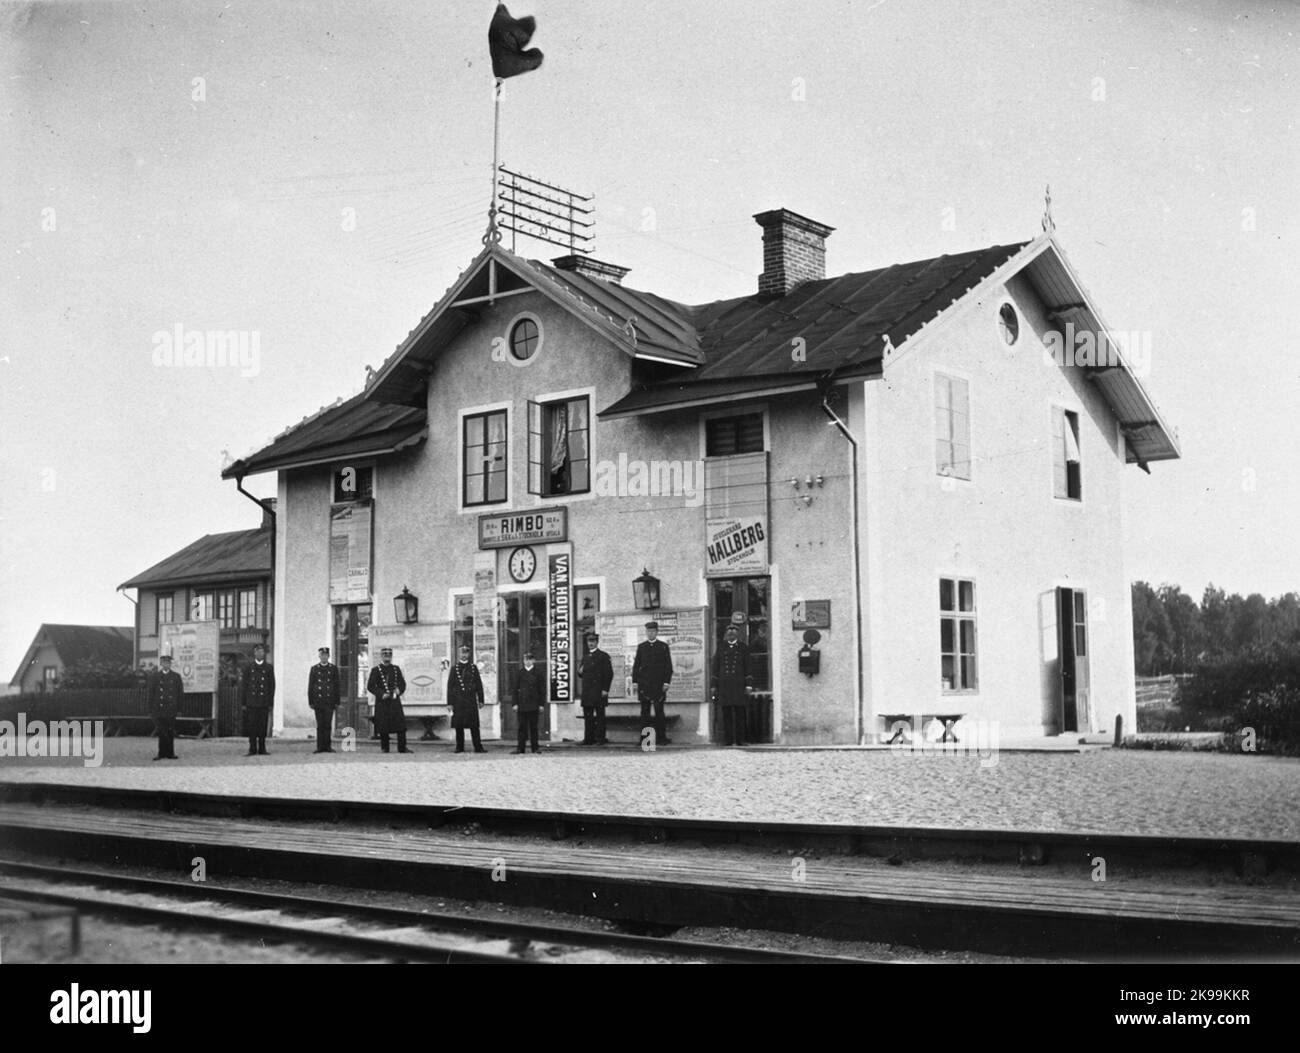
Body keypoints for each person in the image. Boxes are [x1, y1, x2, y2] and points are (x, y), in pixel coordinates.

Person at [632, 620, 674, 746]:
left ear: (657, 632)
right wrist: (635, 681)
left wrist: (666, 682)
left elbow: (668, 666)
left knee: (659, 712)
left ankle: (661, 738)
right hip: (644, 685)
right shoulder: (641, 647)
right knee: (645, 713)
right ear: (646, 632)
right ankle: (646, 739)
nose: (650, 634)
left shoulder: (663, 646)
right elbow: (636, 666)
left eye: (653, 631)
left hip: (659, 685)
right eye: (648, 631)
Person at [712, 624, 752, 746]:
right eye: (729, 632)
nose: (731, 634)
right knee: (726, 713)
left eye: (733, 632)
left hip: (739, 684)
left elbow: (748, 666)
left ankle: (741, 740)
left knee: (740, 713)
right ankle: (728, 740)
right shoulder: (721, 647)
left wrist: (748, 685)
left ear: (737, 634)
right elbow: (715, 667)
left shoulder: (743, 648)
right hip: (724, 685)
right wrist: (714, 685)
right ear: (726, 634)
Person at [367, 647, 410, 753]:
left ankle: (402, 747)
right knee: (383, 726)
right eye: (385, 654)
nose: (387, 656)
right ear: (381, 656)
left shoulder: (396, 669)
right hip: (382, 702)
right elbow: (371, 686)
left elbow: (402, 683)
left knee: (400, 725)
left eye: (389, 654)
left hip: (394, 701)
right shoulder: (376, 670)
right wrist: (381, 694)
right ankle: (385, 748)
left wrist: (399, 690)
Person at [446, 644, 486, 753]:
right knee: (459, 725)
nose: (464, 655)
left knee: (474, 725)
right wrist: (449, 703)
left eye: (466, 653)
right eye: (462, 653)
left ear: (469, 654)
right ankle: (459, 746)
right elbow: (450, 686)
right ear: (459, 654)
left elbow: (479, 684)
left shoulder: (473, 668)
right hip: (458, 700)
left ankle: (478, 746)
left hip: (471, 700)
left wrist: (481, 700)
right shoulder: (455, 668)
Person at [577, 632, 613, 745]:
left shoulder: (603, 656)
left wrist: (605, 689)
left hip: (599, 691)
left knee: (600, 716)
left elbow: (609, 674)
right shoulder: (585, 657)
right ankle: (588, 738)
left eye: (593, 641)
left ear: (597, 642)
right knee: (588, 716)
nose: (590, 644)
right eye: (589, 641)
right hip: (587, 692)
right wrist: (579, 672)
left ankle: (600, 739)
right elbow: (581, 673)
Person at [240, 643, 275, 756]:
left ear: (264, 654)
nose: (260, 653)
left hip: (263, 702)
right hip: (252, 702)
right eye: (257, 651)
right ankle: (252, 748)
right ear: (254, 653)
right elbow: (244, 686)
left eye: (261, 651)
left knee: (262, 726)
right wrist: (244, 702)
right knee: (252, 727)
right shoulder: (248, 668)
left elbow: (271, 686)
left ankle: (262, 748)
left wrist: (270, 702)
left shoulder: (268, 668)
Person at [148, 654, 183, 761]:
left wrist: (179, 709)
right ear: (161, 664)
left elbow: (180, 694)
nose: (166, 664)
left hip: (171, 709)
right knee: (161, 731)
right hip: (159, 708)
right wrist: (150, 708)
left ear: (170, 664)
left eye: (168, 663)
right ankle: (161, 753)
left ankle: (170, 753)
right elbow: (151, 693)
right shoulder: (155, 677)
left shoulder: (176, 677)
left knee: (170, 731)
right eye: (164, 663)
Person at [307, 646, 340, 753]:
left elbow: (337, 686)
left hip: (329, 701)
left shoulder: (333, 669)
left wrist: (337, 701)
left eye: (326, 655)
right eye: (322, 655)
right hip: (318, 701)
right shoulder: (314, 669)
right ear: (319, 656)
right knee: (320, 725)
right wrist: (311, 701)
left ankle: (328, 746)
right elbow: (311, 686)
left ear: (329, 656)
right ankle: (320, 747)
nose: (324, 657)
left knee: (328, 724)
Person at [511, 651, 545, 754]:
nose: (528, 661)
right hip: (522, 704)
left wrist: (541, 704)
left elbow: (542, 690)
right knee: (522, 727)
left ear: (533, 660)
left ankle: (535, 748)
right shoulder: (519, 673)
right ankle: (520, 748)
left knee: (534, 727)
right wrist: (515, 703)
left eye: (530, 659)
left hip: (534, 704)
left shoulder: (538, 673)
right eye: (526, 659)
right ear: (523, 661)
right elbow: (514, 689)